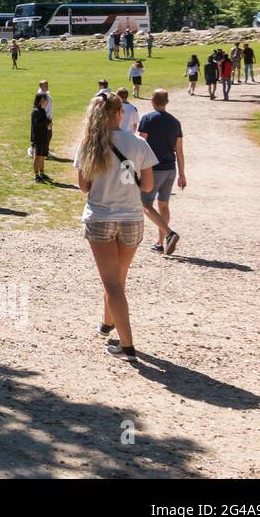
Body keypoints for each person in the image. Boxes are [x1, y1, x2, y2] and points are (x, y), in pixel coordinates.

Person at [74, 90, 160, 360]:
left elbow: (83, 186)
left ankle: (127, 345)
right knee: (118, 279)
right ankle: (108, 322)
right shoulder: (137, 143)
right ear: (120, 113)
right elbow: (147, 186)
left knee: (111, 282)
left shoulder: (89, 145)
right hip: (132, 217)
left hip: (101, 216)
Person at [138, 90, 187, 254]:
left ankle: (169, 234)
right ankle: (160, 243)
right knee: (164, 205)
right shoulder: (175, 122)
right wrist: (182, 174)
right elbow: (179, 150)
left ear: (152, 100)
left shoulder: (147, 119)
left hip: (153, 168)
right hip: (170, 168)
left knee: (145, 204)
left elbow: (141, 144)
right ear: (167, 101)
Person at [30, 92, 52, 183]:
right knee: (37, 156)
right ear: (41, 100)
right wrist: (47, 122)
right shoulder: (35, 111)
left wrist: (48, 121)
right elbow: (37, 124)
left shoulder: (42, 110)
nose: (47, 102)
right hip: (38, 137)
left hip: (44, 136)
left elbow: (44, 120)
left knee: (42, 155)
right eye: (45, 100)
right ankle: (36, 175)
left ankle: (42, 173)